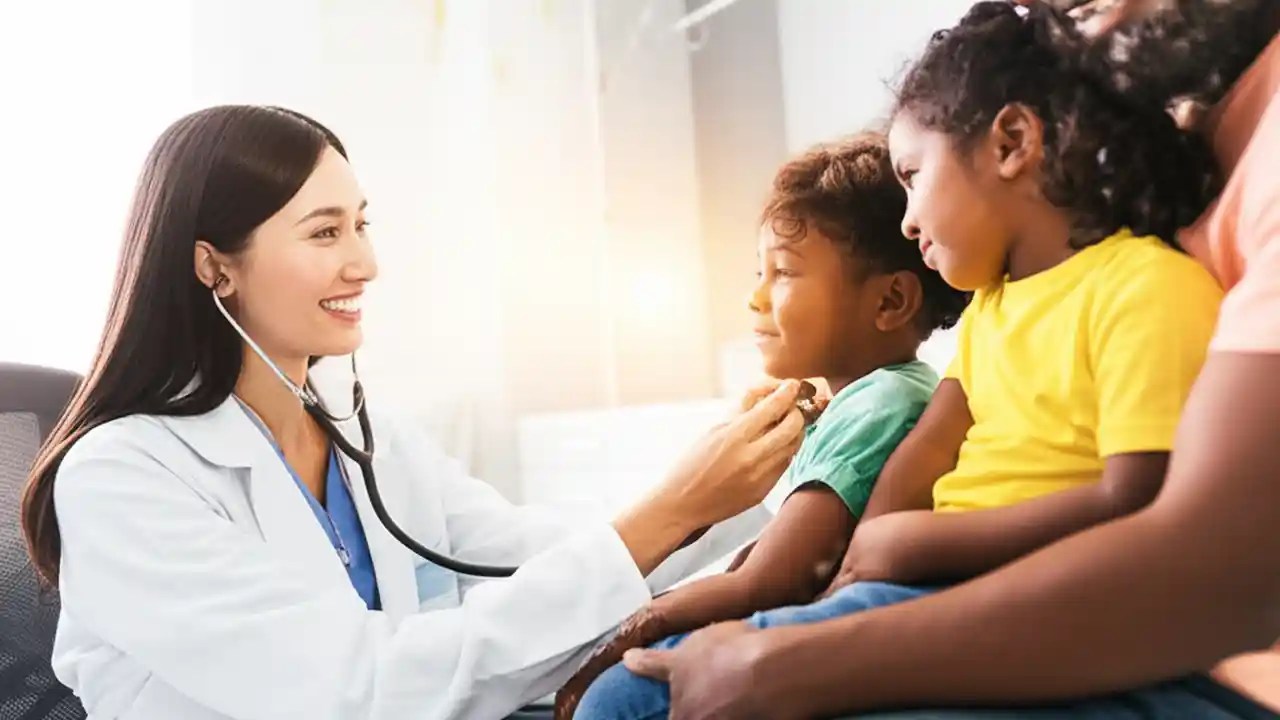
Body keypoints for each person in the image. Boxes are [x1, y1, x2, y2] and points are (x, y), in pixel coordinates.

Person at [19, 105, 808, 720]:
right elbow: (353, 690)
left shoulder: (366, 437)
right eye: (324, 232)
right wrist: (677, 507)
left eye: (361, 224)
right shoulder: (122, 478)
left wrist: (745, 485)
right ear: (212, 265)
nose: (365, 263)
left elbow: (531, 560)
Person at [617, 1, 1280, 717]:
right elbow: (918, 470)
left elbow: (1206, 558)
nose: (909, 222)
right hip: (1020, 603)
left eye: (912, 177)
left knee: (639, 699)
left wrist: (807, 649)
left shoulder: (1148, 281)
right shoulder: (1185, 146)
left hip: (1180, 666)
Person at [557, 133, 968, 719]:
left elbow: (768, 584)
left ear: (890, 302)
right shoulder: (871, 398)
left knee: (616, 701)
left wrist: (626, 634)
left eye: (784, 273)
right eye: (760, 271)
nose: (755, 299)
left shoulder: (883, 402)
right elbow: (760, 560)